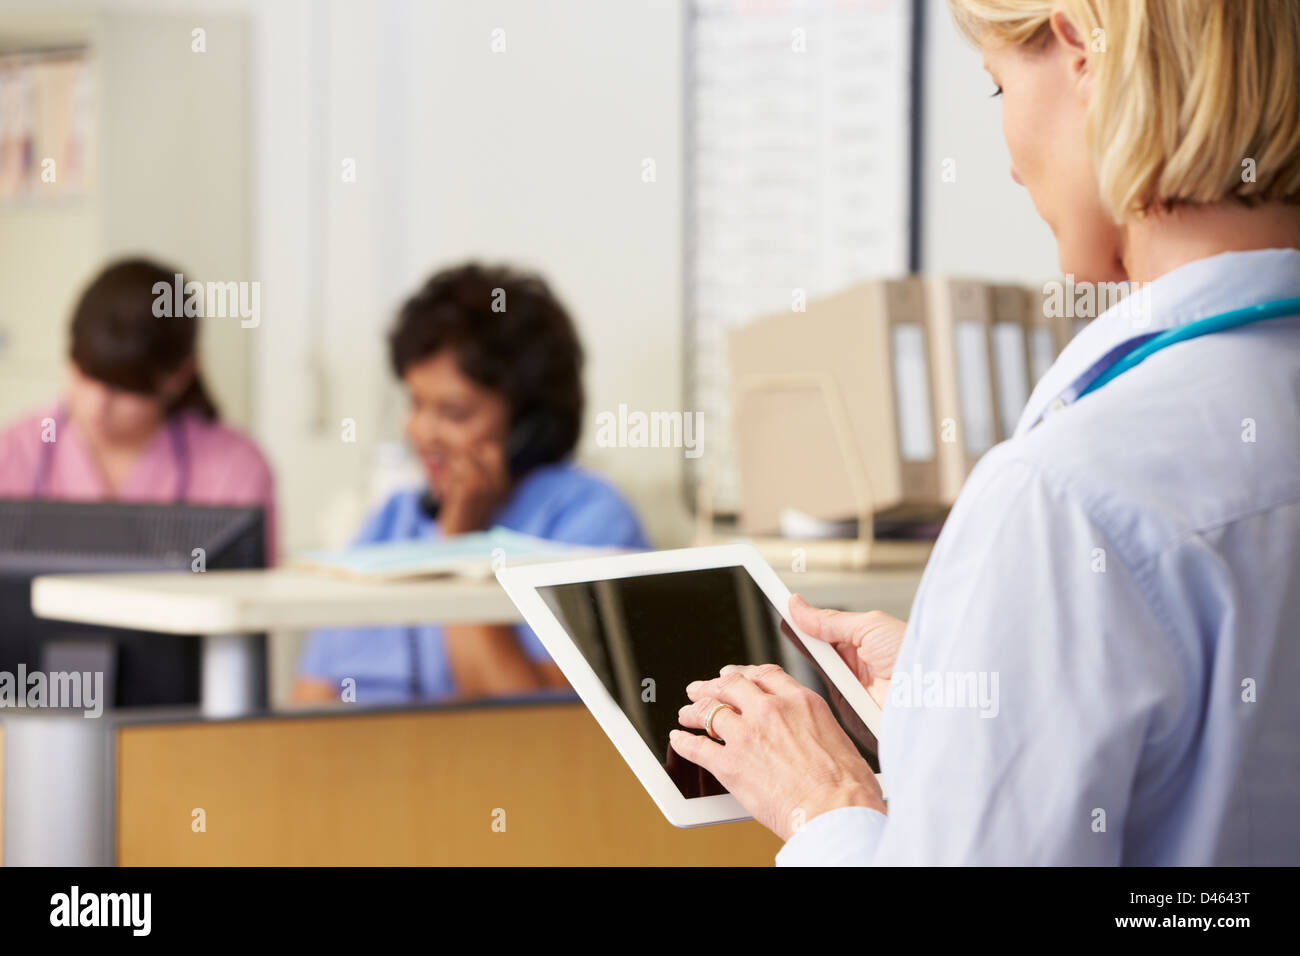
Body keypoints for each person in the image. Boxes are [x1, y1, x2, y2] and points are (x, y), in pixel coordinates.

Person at [670, 0, 1300, 865]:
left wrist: (826, 809)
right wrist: (954, 683)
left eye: (997, 85)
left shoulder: (1067, 496)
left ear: (1082, 51)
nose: (1008, 163)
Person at [293, 263, 649, 705]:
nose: (422, 432)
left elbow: (533, 726)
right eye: (415, 403)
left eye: (454, 413)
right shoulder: (393, 519)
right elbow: (310, 698)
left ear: (529, 424)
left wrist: (461, 541)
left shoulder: (592, 519)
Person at [0, 258, 277, 558]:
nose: (96, 405)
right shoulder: (12, 454)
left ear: (179, 376)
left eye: (123, 389)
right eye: (84, 374)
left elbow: (250, 596)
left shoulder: (234, 469)